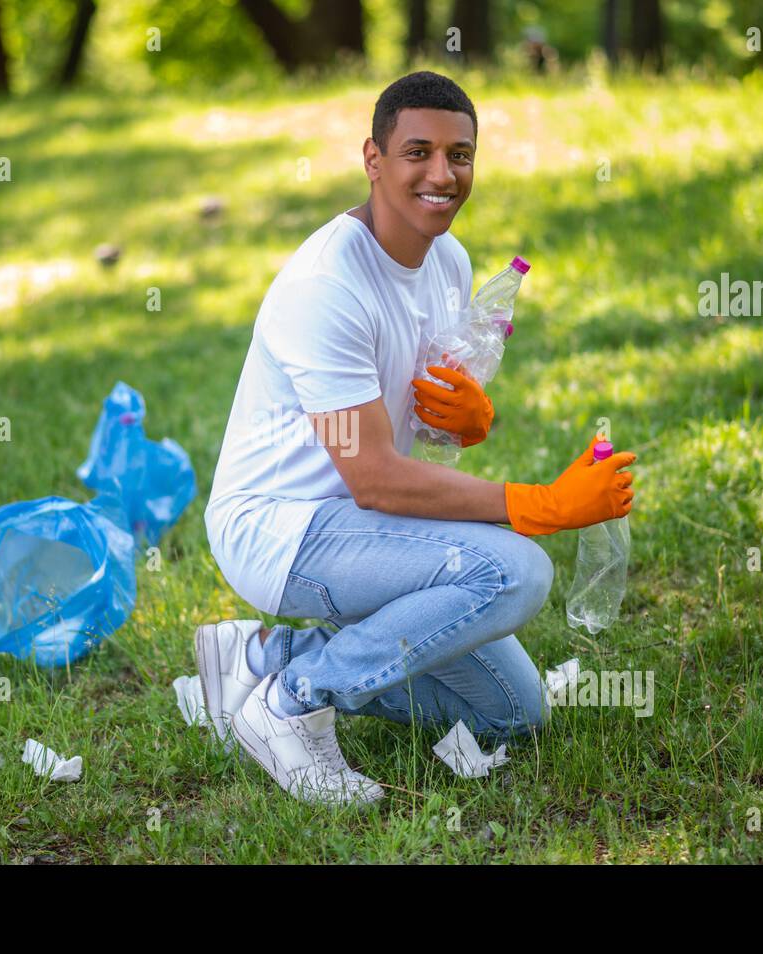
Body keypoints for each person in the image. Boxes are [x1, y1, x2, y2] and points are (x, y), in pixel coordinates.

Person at [198, 71, 636, 805]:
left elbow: (419, 439)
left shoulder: (449, 262)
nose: (443, 174)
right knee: (514, 572)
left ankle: (265, 657)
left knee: (512, 715)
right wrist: (540, 505)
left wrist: (466, 419)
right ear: (373, 159)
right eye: (418, 152)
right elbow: (374, 475)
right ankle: (293, 701)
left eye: (460, 155)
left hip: (370, 526)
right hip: (284, 527)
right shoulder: (326, 286)